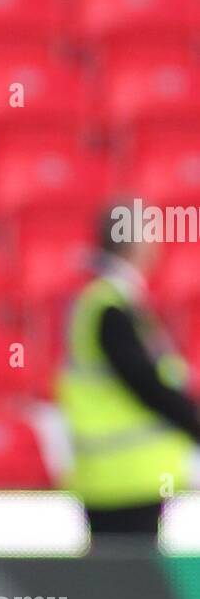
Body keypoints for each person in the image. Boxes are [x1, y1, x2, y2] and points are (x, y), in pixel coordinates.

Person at [56, 205, 200, 542]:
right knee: (129, 581)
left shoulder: (105, 300)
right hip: (127, 475)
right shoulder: (110, 306)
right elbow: (145, 382)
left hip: (117, 474)